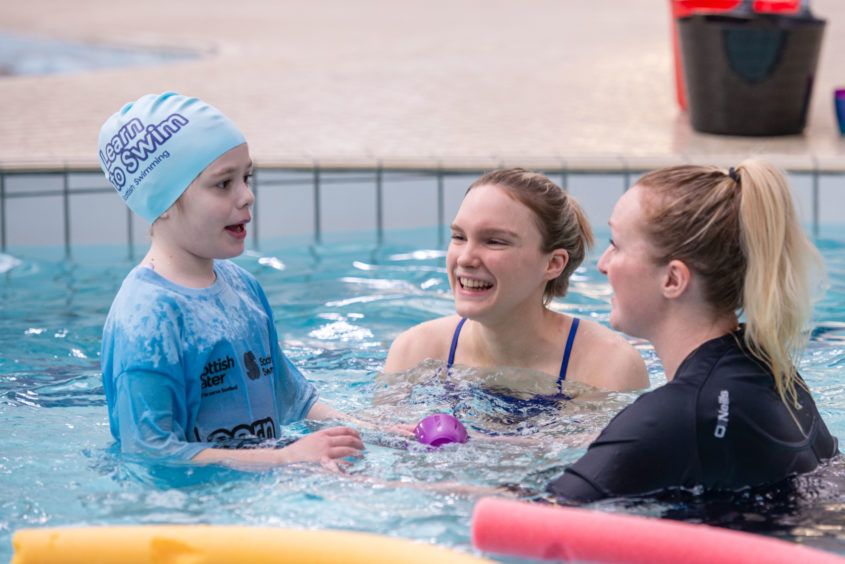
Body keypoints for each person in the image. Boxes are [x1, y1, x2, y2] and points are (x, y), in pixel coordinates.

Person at [546, 159, 838, 501]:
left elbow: (533, 522)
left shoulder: (678, 414)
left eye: (617, 245)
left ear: (672, 279)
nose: (603, 264)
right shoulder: (767, 367)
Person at [98, 92, 364, 469]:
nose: (247, 196)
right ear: (165, 200)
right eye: (223, 184)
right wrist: (286, 458)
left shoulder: (243, 287)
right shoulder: (147, 319)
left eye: (246, 177)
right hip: (191, 515)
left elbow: (293, 401)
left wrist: (379, 429)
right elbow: (148, 453)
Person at [383, 168, 648, 397]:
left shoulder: (606, 366)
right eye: (459, 237)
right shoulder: (416, 352)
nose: (465, 258)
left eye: (494, 241)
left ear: (553, 263)